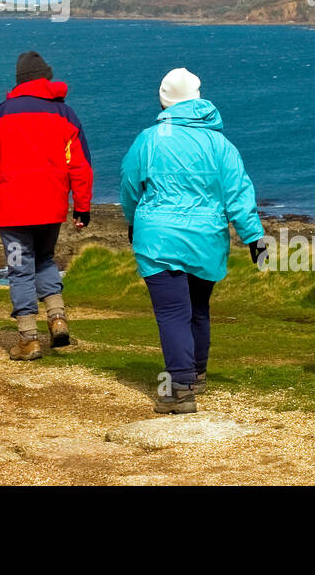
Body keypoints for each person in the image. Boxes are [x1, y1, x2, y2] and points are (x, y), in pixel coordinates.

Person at [120, 68, 266, 413]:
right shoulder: (220, 144)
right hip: (206, 239)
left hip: (157, 237)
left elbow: (129, 184)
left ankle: (180, 388)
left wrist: (131, 220)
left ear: (165, 100)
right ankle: (195, 372)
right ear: (198, 99)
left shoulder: (150, 138)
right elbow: (239, 195)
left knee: (172, 312)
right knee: (198, 308)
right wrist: (254, 238)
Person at [0, 51, 93, 360]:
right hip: (51, 209)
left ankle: (27, 339)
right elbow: (80, 165)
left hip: (13, 214)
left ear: (19, 81)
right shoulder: (65, 114)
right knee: (46, 260)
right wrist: (82, 206)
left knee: (20, 270)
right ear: (45, 79)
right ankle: (57, 318)